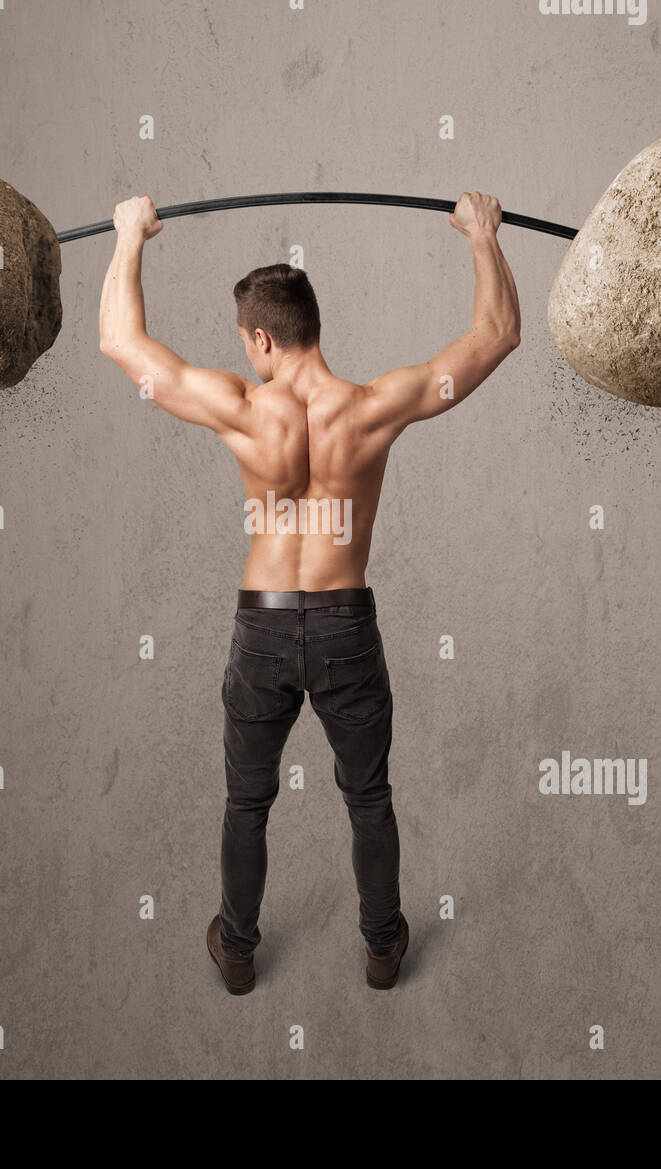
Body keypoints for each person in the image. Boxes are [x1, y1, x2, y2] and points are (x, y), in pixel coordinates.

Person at [98, 192, 521, 993]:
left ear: (261, 337)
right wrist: (482, 237)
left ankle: (239, 947)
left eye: (245, 342)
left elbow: (119, 340)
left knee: (246, 801)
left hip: (261, 627)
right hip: (343, 624)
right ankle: (383, 946)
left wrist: (130, 239)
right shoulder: (372, 408)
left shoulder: (241, 408)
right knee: (368, 796)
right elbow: (498, 335)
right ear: (312, 327)